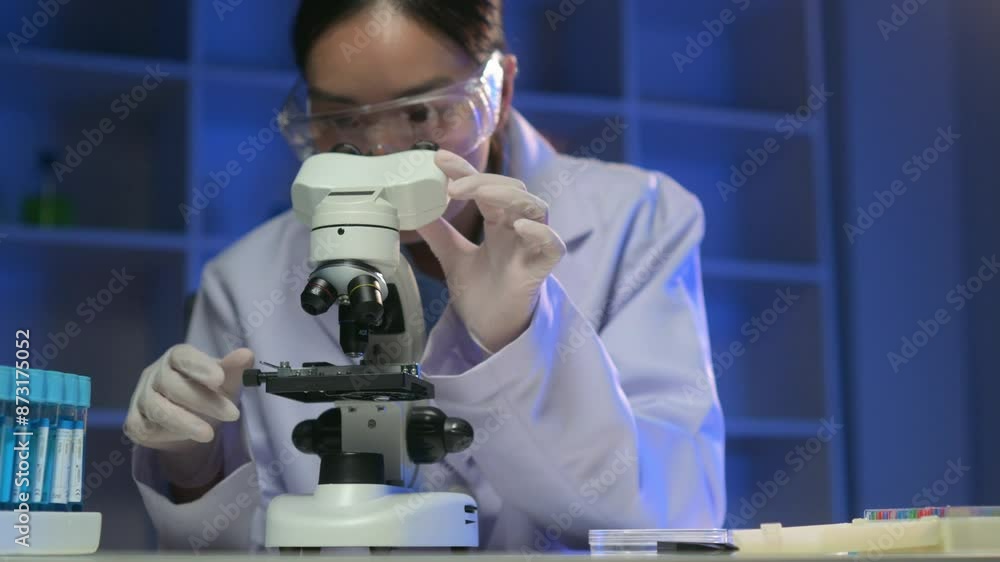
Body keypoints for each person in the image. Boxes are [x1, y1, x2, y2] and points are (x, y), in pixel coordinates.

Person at [124, 0, 725, 552]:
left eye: (421, 113)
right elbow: (224, 546)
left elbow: (678, 517)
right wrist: (195, 472)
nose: (381, 154)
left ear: (502, 90)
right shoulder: (241, 278)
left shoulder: (639, 221)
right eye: (341, 123)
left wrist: (518, 341)